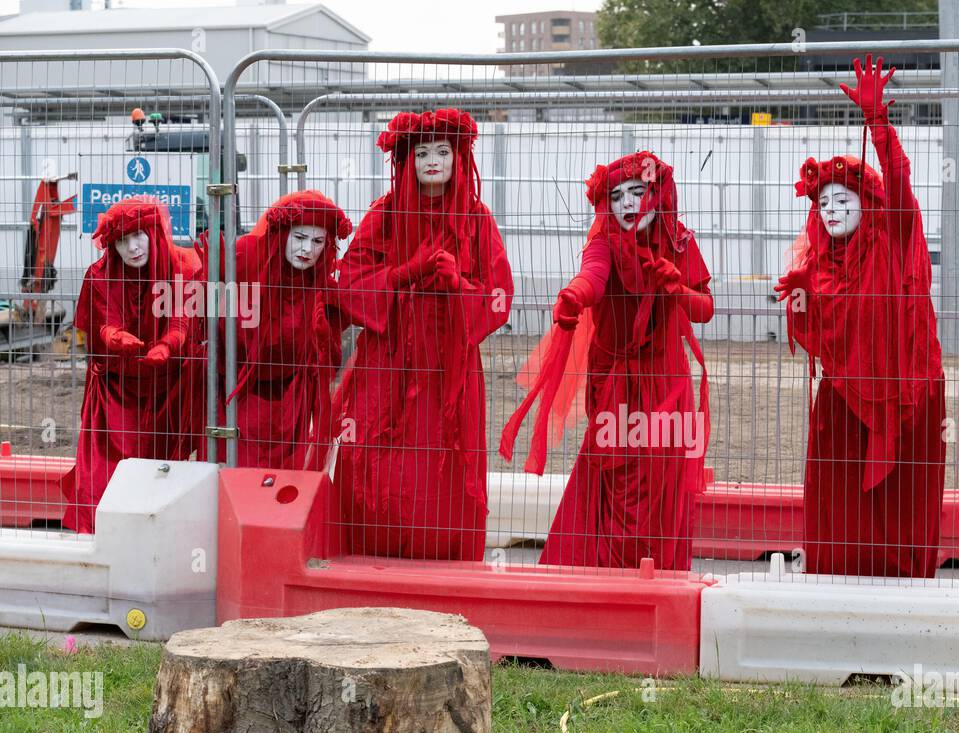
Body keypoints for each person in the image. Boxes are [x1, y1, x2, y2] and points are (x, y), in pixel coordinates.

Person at [774, 56, 946, 577]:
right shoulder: (819, 263)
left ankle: (902, 589)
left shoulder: (891, 238)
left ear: (866, 203)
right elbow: (821, 339)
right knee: (837, 498)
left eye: (842, 197)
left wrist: (879, 126)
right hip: (843, 400)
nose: (830, 209)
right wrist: (804, 298)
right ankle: (835, 579)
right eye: (822, 201)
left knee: (901, 505)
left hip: (905, 396)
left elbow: (897, 185)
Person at [500, 150, 713, 570]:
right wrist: (574, 295)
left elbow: (704, 308)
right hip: (615, 380)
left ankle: (661, 572)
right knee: (620, 482)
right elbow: (592, 278)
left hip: (666, 380)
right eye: (617, 196)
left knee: (663, 478)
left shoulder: (680, 241)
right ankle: (616, 573)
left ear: (657, 194)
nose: (629, 203)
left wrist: (677, 288)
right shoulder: (604, 241)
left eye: (638, 192)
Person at [330, 109, 513, 560]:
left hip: (448, 365)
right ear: (407, 159)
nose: (433, 160)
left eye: (443, 151)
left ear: (459, 156)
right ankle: (373, 550)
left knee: (442, 455)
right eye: (423, 152)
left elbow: (499, 295)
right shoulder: (385, 213)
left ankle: (443, 556)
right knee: (379, 454)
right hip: (386, 359)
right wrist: (404, 274)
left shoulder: (477, 216)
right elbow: (349, 282)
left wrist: (458, 287)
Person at [61, 196, 200, 533]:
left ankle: (153, 535)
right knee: (103, 468)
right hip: (114, 389)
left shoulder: (183, 268)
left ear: (154, 232)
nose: (132, 247)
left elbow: (183, 321)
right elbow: (103, 319)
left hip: (166, 389)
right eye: (122, 240)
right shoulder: (100, 274)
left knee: (158, 465)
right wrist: (113, 337)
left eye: (138, 235)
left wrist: (168, 345)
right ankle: (99, 534)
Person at [198, 190, 352, 469]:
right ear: (283, 234)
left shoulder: (323, 286)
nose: (307, 250)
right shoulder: (245, 260)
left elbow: (338, 333)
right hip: (238, 395)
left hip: (290, 404)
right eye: (300, 238)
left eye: (317, 241)